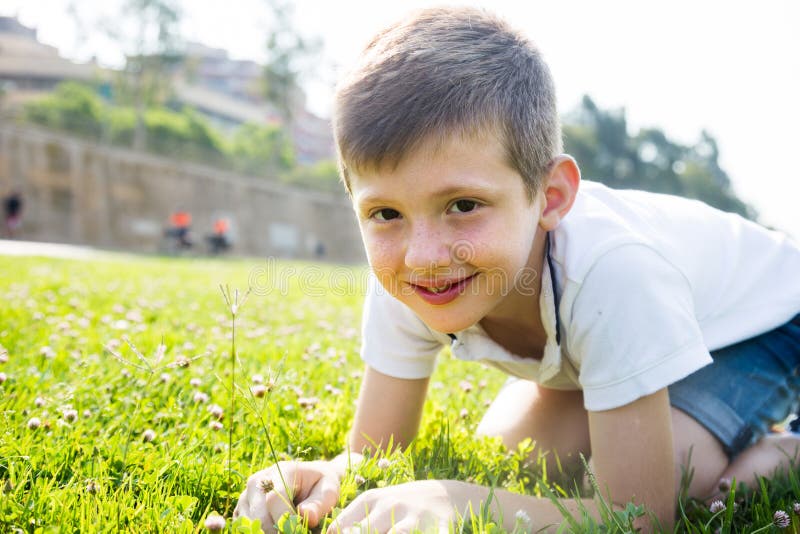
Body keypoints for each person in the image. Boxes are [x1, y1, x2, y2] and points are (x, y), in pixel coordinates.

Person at [234, 7, 800, 532]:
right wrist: (330, 474)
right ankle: (622, 380)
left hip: (764, 321)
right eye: (385, 213)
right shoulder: (406, 277)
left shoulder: (615, 273)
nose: (424, 256)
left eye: (463, 205)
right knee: (515, 461)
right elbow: (377, 449)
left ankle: (786, 448)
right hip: (637, 328)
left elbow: (637, 516)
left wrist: (459, 503)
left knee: (684, 485)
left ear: (550, 197)